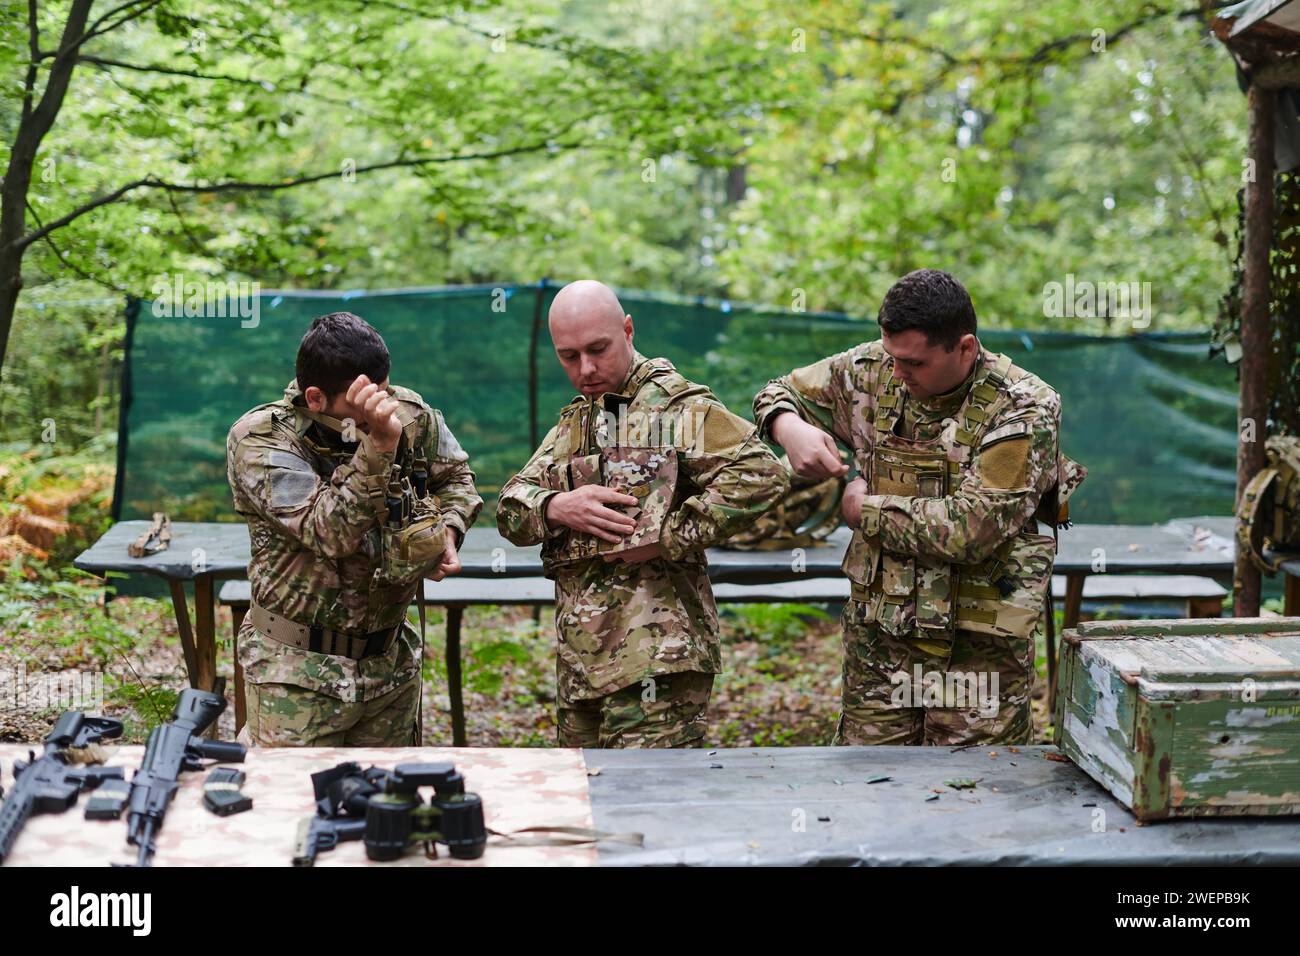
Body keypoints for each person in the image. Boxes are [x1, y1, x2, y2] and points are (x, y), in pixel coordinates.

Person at [753, 269, 1081, 745]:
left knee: (975, 794)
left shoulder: (1024, 407)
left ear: (964, 348)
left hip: (977, 651)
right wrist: (788, 426)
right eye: (892, 357)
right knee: (869, 785)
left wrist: (862, 510)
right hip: (880, 637)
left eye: (915, 362)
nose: (899, 373)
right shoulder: (875, 367)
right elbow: (775, 391)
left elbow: (972, 529)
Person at [497, 280, 789, 747]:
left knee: (648, 809)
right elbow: (511, 507)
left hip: (658, 661)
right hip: (581, 664)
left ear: (628, 330)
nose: (586, 368)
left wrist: (670, 535)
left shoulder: (677, 408)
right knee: (584, 805)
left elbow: (762, 473)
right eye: (568, 356)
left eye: (598, 349)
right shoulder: (579, 418)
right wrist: (556, 506)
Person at [227, 311, 482, 746]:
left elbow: (457, 480)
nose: (378, 411)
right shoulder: (261, 441)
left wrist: (447, 535)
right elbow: (329, 530)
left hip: (389, 669)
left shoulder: (409, 416)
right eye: (360, 404)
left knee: (387, 807)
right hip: (295, 674)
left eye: (381, 394)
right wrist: (379, 446)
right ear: (316, 397)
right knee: (291, 809)